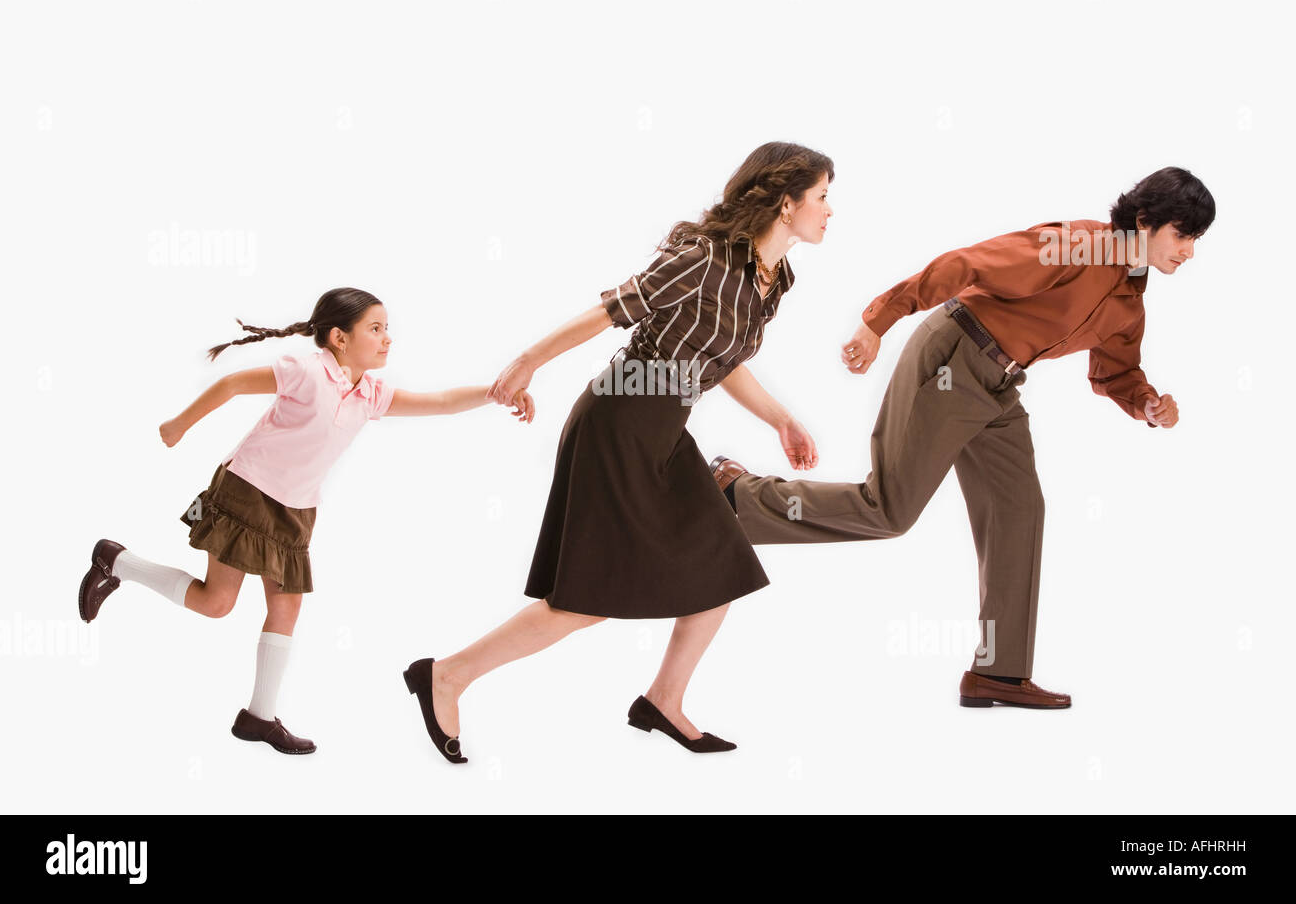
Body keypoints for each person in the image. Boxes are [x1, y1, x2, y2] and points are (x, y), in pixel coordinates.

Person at [713, 167, 1215, 709]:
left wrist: (1147, 405)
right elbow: (967, 263)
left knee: (1019, 510)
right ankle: (739, 497)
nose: (1188, 252)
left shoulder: (1129, 302)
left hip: (998, 384)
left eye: (1195, 240)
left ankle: (998, 674)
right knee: (888, 511)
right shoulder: (1074, 245)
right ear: (1145, 221)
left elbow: (1115, 373)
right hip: (954, 356)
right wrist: (879, 320)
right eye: (1182, 235)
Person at [402, 142, 833, 763]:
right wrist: (525, 363)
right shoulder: (704, 258)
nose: (829, 210)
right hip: (618, 422)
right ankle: (446, 674)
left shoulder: (774, 278)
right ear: (787, 203)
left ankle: (664, 700)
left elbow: (725, 361)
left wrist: (783, 419)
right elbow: (609, 313)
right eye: (821, 197)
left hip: (665, 432)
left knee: (722, 566)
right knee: (589, 598)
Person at [76, 287, 532, 755]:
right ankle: (117, 561)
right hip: (248, 492)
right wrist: (178, 425)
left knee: (287, 609)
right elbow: (232, 384)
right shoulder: (309, 371)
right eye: (375, 329)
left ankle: (259, 717)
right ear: (338, 337)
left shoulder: (370, 393)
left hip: (297, 510)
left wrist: (499, 392)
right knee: (216, 604)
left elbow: (439, 402)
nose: (387, 338)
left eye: (387, 328)